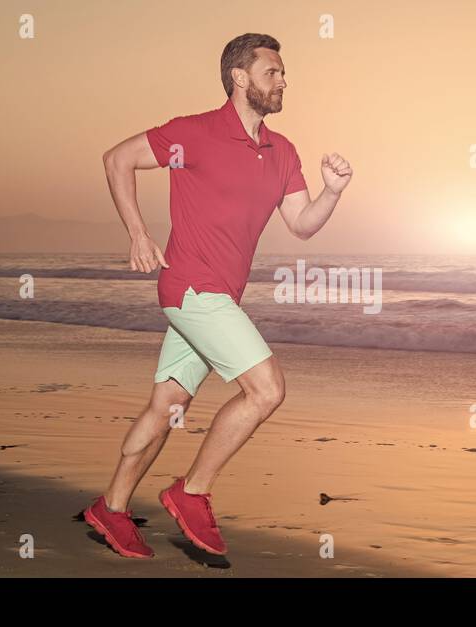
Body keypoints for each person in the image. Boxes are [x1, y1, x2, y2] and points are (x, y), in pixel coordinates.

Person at [87, 33, 352, 558]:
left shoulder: (283, 151)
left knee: (166, 407)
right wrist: (138, 232)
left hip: (218, 296)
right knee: (267, 390)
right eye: (272, 71)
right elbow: (117, 159)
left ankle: (111, 510)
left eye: (283, 72)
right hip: (190, 286)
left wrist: (332, 192)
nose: (282, 80)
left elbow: (300, 224)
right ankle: (191, 492)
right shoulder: (193, 133)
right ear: (240, 77)